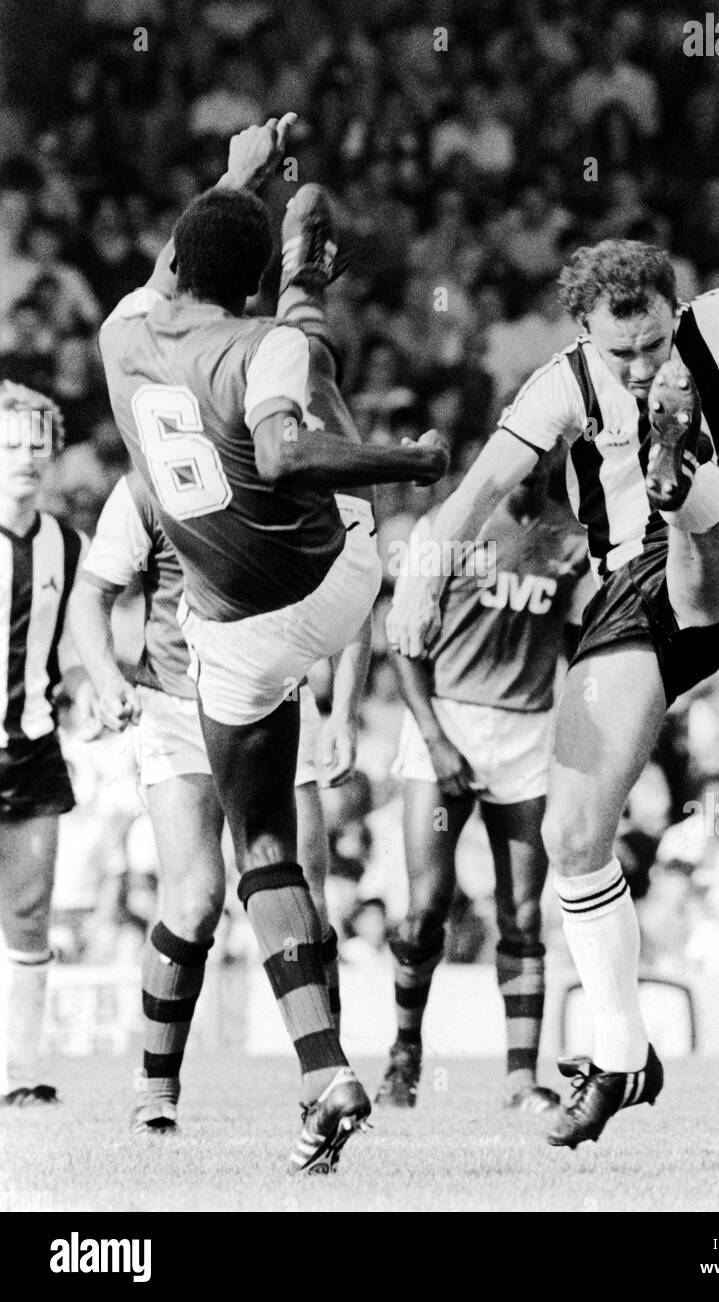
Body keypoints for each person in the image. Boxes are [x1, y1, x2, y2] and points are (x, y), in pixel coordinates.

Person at [387, 238, 719, 1150]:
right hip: (627, 599)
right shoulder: (554, 387)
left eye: (655, 342)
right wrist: (421, 571)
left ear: (670, 308)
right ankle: (621, 1059)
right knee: (573, 838)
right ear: (581, 330)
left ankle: (682, 476)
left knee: (698, 534)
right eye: (625, 353)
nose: (645, 360)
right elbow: (478, 488)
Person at [98, 117, 449, 1173]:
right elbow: (292, 450)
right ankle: (324, 1072)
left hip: (233, 633)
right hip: (336, 584)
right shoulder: (266, 347)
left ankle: (307, 1066)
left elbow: (173, 270)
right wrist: (409, 458)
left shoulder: (121, 336)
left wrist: (236, 173)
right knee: (309, 365)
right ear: (248, 285)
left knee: (258, 848)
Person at [68, 469, 369, 1133]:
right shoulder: (148, 482)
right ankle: (156, 1089)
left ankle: (322, 1083)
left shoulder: (293, 474)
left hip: (272, 699)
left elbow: (355, 602)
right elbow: (90, 596)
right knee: (196, 900)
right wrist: (104, 674)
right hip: (174, 708)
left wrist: (343, 710)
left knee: (307, 898)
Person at [377, 452, 589, 1113]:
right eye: (520, 453)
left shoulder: (574, 541)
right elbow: (403, 640)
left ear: (557, 456)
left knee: (524, 913)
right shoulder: (450, 524)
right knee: (425, 908)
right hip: (448, 719)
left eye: (543, 453)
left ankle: (520, 1080)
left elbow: (579, 649)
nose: (531, 465)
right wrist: (436, 739)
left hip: (526, 734)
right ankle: (403, 1056)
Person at [0, 382, 85, 1107]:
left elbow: (78, 646)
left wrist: (99, 688)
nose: (24, 458)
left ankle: (20, 1075)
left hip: (29, 748)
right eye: (8, 446)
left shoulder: (67, 542)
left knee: (29, 910)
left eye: (35, 444)